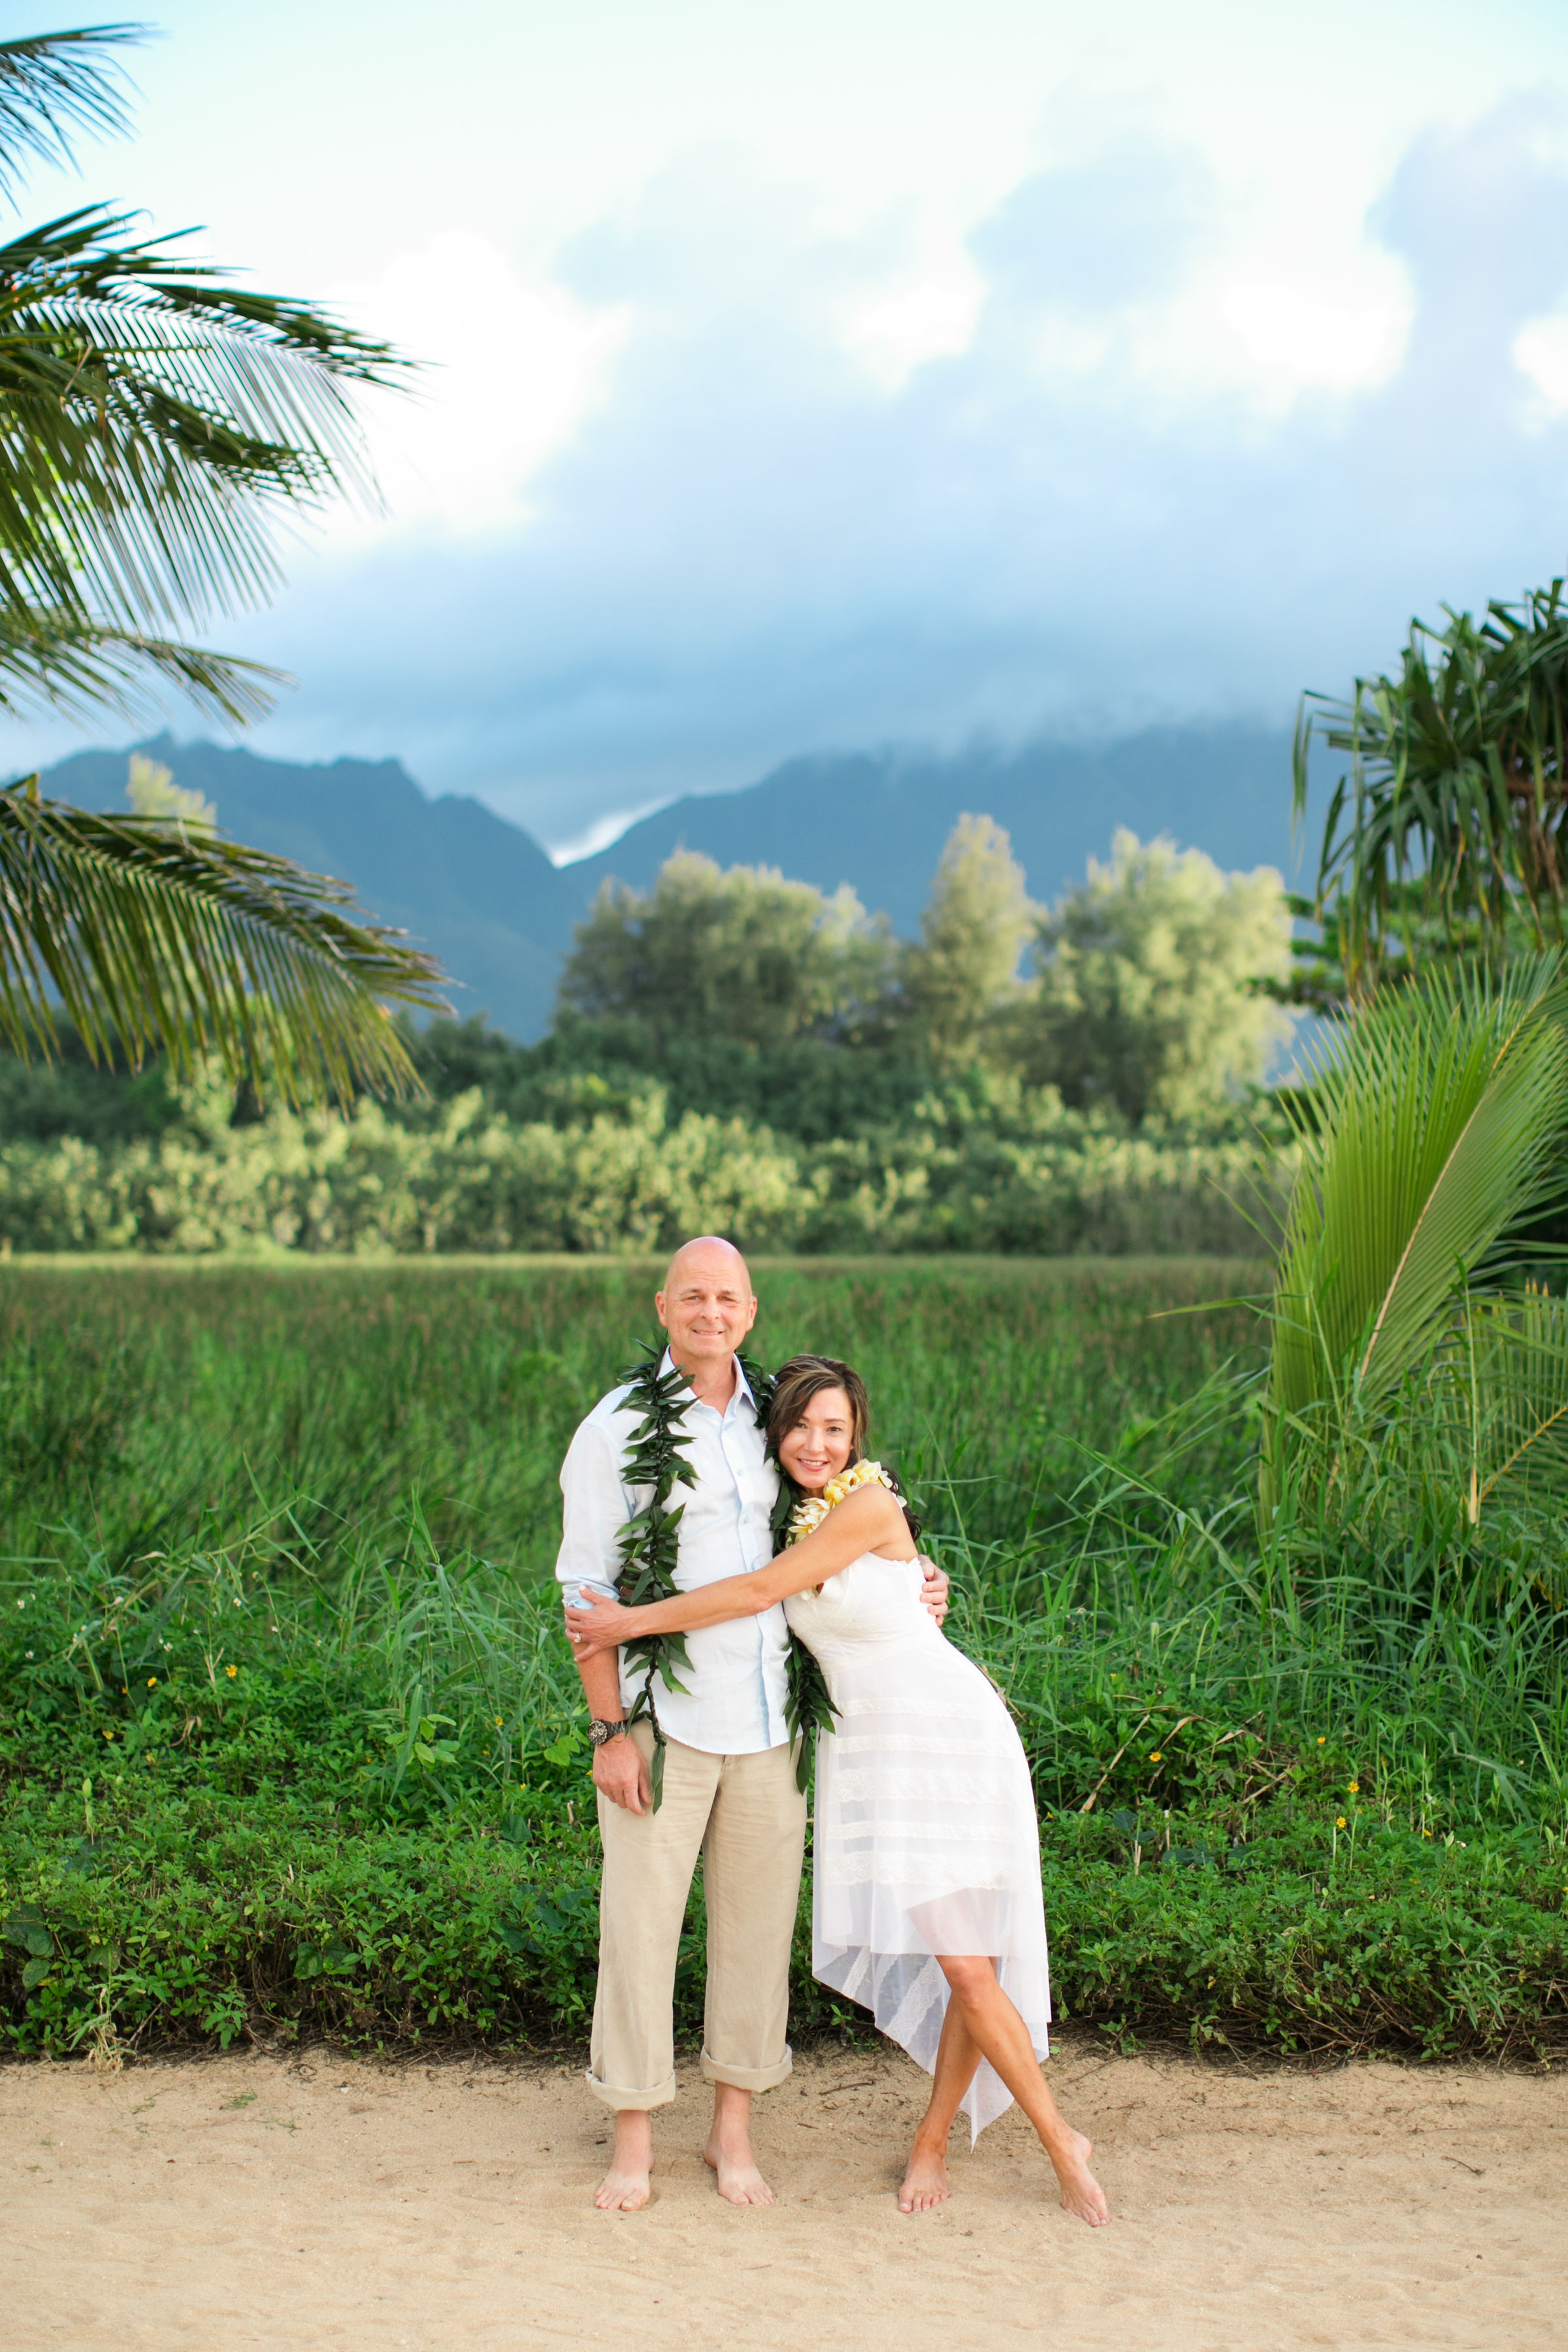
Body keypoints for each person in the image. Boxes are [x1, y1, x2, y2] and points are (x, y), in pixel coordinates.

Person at [567, 1352, 1109, 2227]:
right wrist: (922, 1580)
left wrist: (626, 1624)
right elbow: (834, 1586)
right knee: (964, 1959)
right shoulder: (792, 1514)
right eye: (800, 1427)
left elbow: (759, 1592)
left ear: (859, 1440)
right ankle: (934, 2140)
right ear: (774, 1432)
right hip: (877, 1755)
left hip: (943, 1740)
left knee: (968, 1962)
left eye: (835, 1430)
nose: (815, 1444)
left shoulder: (865, 1504)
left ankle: (1060, 2140)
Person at [557, 1240, 950, 2213]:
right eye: (692, 1295)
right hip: (663, 1717)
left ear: (751, 1309)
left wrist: (916, 1579)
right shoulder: (615, 1428)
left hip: (774, 1718)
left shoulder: (782, 1413)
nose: (710, 1311)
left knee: (757, 1932)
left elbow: (845, 1507)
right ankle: (635, 2136)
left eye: (726, 1296)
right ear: (663, 1307)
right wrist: (609, 1731)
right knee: (639, 1930)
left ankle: (730, 2133)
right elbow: (587, 1594)